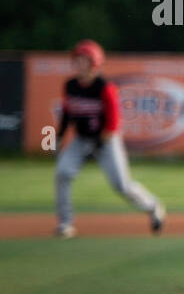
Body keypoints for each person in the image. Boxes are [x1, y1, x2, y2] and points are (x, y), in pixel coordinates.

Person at [53, 39, 166, 238]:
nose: (78, 63)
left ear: (94, 63)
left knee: (121, 185)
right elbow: (67, 113)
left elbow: (113, 124)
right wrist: (58, 137)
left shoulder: (104, 87)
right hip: (81, 139)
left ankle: (153, 206)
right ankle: (65, 223)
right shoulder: (70, 85)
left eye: (83, 60)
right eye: (77, 59)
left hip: (106, 141)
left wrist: (96, 146)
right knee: (62, 173)